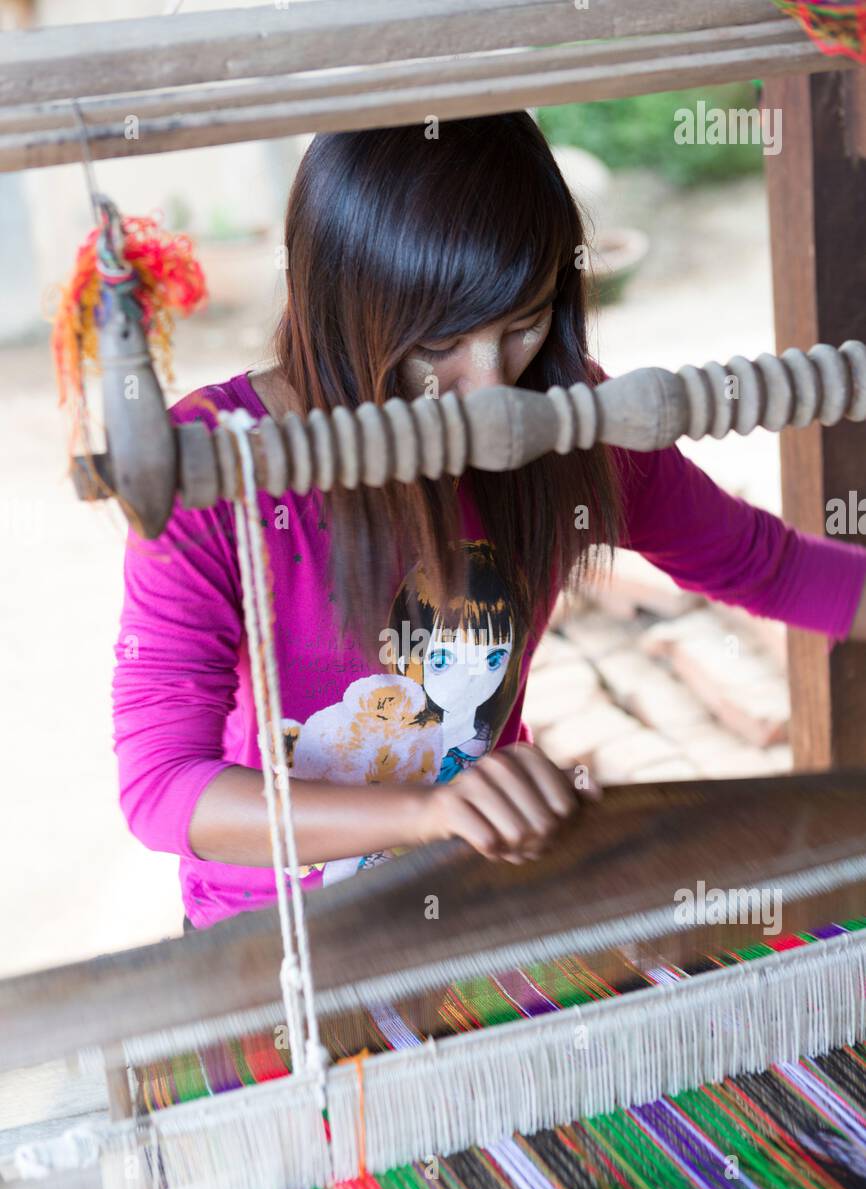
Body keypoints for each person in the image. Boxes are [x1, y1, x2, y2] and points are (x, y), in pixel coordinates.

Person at [112, 112, 866, 931]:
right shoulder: (218, 467)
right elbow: (162, 786)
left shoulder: (573, 421)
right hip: (275, 942)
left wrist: (457, 820)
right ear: (338, 305)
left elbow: (775, 567)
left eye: (523, 324)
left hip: (484, 900)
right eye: (439, 347)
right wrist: (430, 814)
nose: (491, 388)